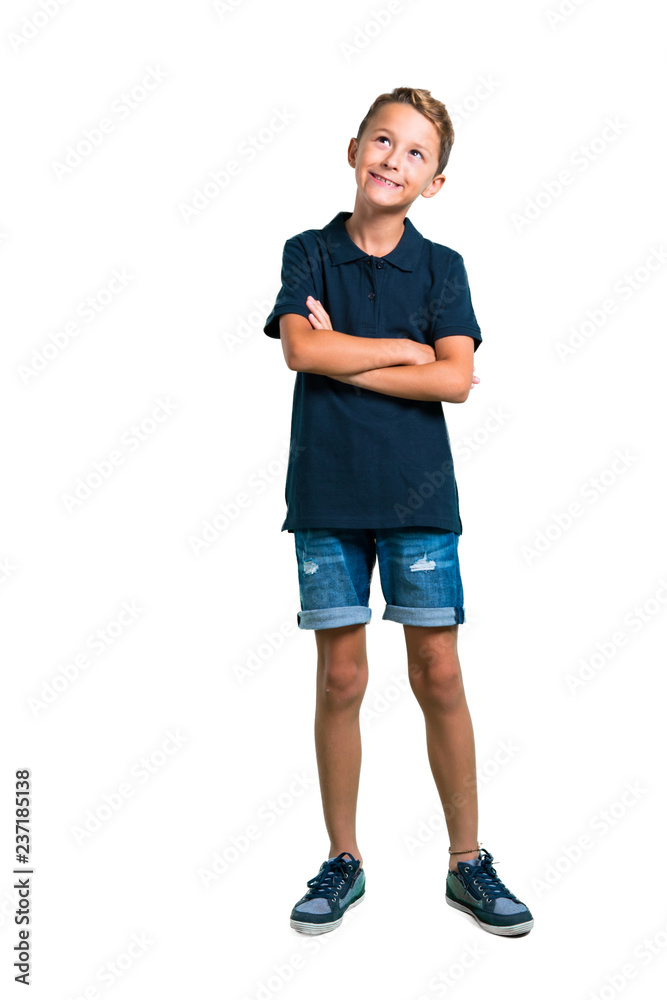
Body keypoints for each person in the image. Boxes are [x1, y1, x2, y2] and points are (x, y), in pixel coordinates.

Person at [263, 87, 533, 937]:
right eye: (382, 140)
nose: (393, 159)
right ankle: (342, 858)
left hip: (420, 499)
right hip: (326, 494)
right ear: (353, 149)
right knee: (340, 677)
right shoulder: (308, 251)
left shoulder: (441, 268)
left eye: (416, 152)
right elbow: (298, 348)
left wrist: (343, 354)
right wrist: (401, 351)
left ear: (434, 183)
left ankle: (466, 861)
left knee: (438, 673)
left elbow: (454, 379)